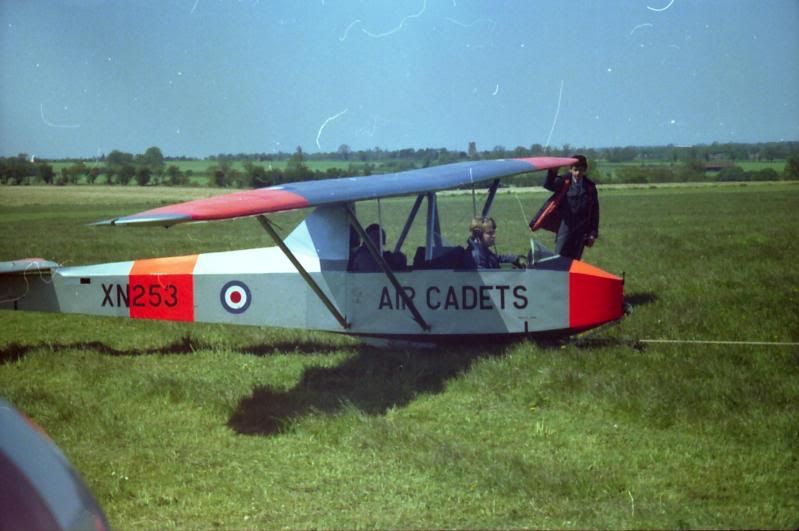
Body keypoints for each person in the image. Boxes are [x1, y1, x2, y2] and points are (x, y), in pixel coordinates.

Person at [529, 154, 599, 260]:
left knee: (575, 260)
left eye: (581, 170)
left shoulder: (590, 187)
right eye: (575, 170)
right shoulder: (564, 181)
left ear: (585, 170)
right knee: (559, 257)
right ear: (571, 169)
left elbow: (595, 211)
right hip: (565, 227)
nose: (578, 173)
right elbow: (549, 185)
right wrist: (553, 171)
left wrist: (592, 233)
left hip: (581, 230)